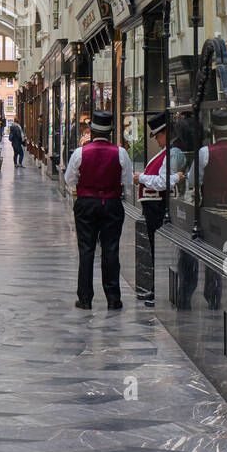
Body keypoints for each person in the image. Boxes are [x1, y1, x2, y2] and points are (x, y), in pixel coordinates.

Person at [64, 109, 133, 310]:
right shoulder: (121, 153)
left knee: (86, 250)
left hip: (86, 203)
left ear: (92, 132)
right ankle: (113, 298)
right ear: (110, 133)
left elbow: (69, 179)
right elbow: (127, 181)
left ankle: (85, 298)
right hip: (112, 204)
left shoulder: (80, 153)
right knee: (111, 250)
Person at [133, 112, 186, 305]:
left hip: (158, 206)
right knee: (155, 249)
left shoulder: (173, 153)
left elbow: (165, 182)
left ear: (166, 132)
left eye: (158, 134)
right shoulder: (167, 151)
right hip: (153, 207)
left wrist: (142, 178)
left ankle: (158, 291)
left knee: (158, 250)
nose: (156, 139)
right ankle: (155, 289)